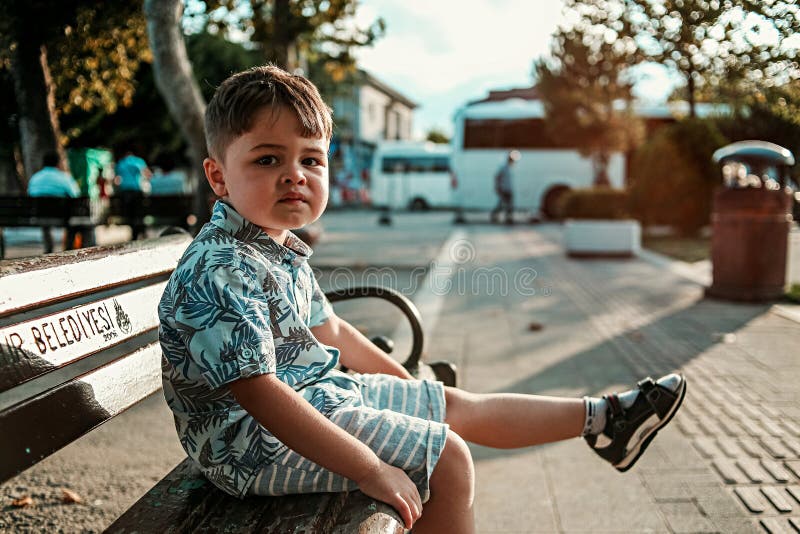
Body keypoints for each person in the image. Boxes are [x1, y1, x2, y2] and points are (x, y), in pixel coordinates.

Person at [158, 66, 687, 534]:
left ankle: (606, 420)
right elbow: (261, 393)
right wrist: (368, 467)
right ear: (218, 177)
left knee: (447, 405)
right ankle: (598, 421)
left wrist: (412, 390)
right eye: (269, 158)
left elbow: (334, 332)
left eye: (312, 160)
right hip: (246, 446)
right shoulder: (222, 267)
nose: (295, 174)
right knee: (447, 457)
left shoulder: (274, 247)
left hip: (310, 398)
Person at [27, 152, 81, 253]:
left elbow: (30, 194)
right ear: (58, 163)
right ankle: (68, 248)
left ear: (43, 163)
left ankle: (48, 248)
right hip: (62, 215)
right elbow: (75, 194)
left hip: (40, 214)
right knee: (74, 220)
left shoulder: (35, 178)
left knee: (43, 211)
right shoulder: (64, 177)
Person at [114, 147, 152, 240]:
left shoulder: (121, 163)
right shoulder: (139, 161)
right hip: (136, 190)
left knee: (130, 214)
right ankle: (141, 232)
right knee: (139, 213)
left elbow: (116, 179)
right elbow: (148, 174)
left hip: (125, 191)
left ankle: (134, 234)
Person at [490, 150, 520, 225]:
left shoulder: (510, 168)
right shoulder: (503, 167)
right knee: (503, 204)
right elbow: (497, 177)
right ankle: (500, 217)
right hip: (504, 189)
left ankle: (508, 218)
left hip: (509, 189)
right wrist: (497, 187)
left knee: (507, 205)